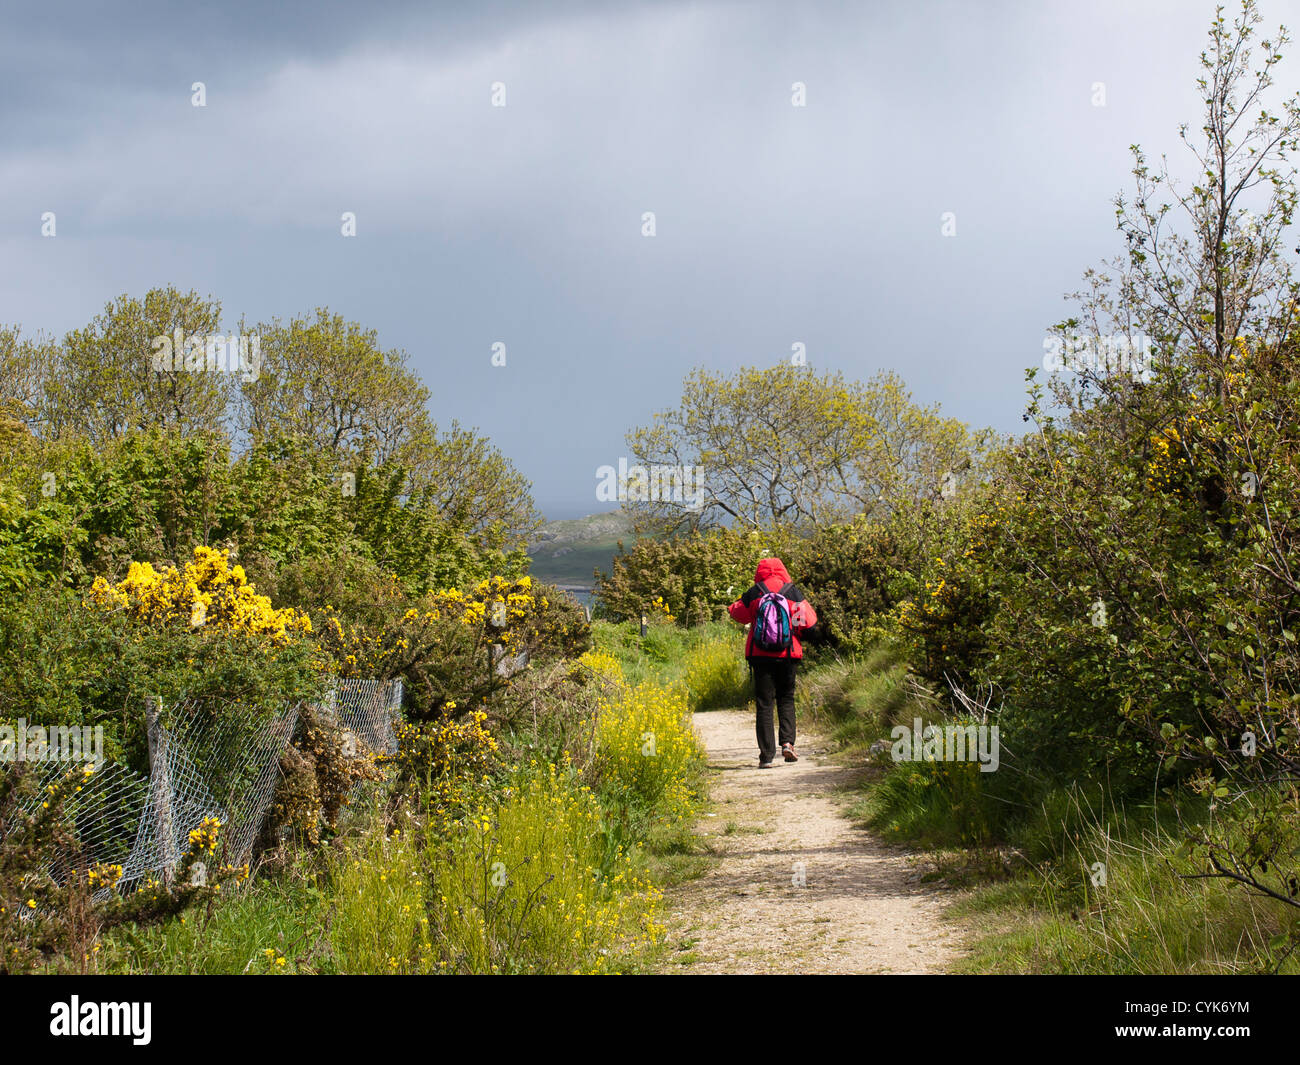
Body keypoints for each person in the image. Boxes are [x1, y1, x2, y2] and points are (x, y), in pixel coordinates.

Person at [727, 557, 817, 768]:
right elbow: (808, 622)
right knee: (786, 698)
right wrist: (793, 627)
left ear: (760, 571)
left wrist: (745, 604)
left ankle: (766, 756)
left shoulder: (756, 591)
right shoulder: (791, 591)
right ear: (783, 570)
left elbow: (737, 613)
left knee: (764, 704)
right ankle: (787, 744)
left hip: (760, 655)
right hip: (788, 654)